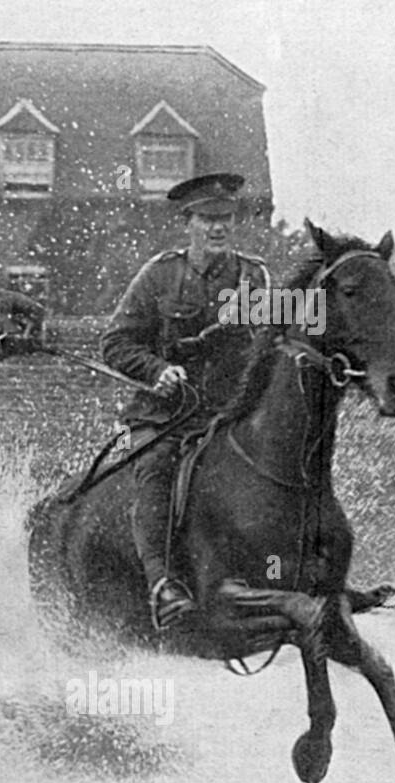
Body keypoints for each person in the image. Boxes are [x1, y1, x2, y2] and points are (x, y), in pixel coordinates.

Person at [100, 172, 270, 630]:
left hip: (229, 413)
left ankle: (309, 574)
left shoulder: (255, 277)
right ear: (188, 222)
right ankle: (162, 585)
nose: (218, 228)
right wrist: (157, 371)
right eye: (207, 219)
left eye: (226, 219)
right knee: (155, 464)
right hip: (166, 413)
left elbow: (278, 338)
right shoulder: (160, 275)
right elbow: (116, 342)